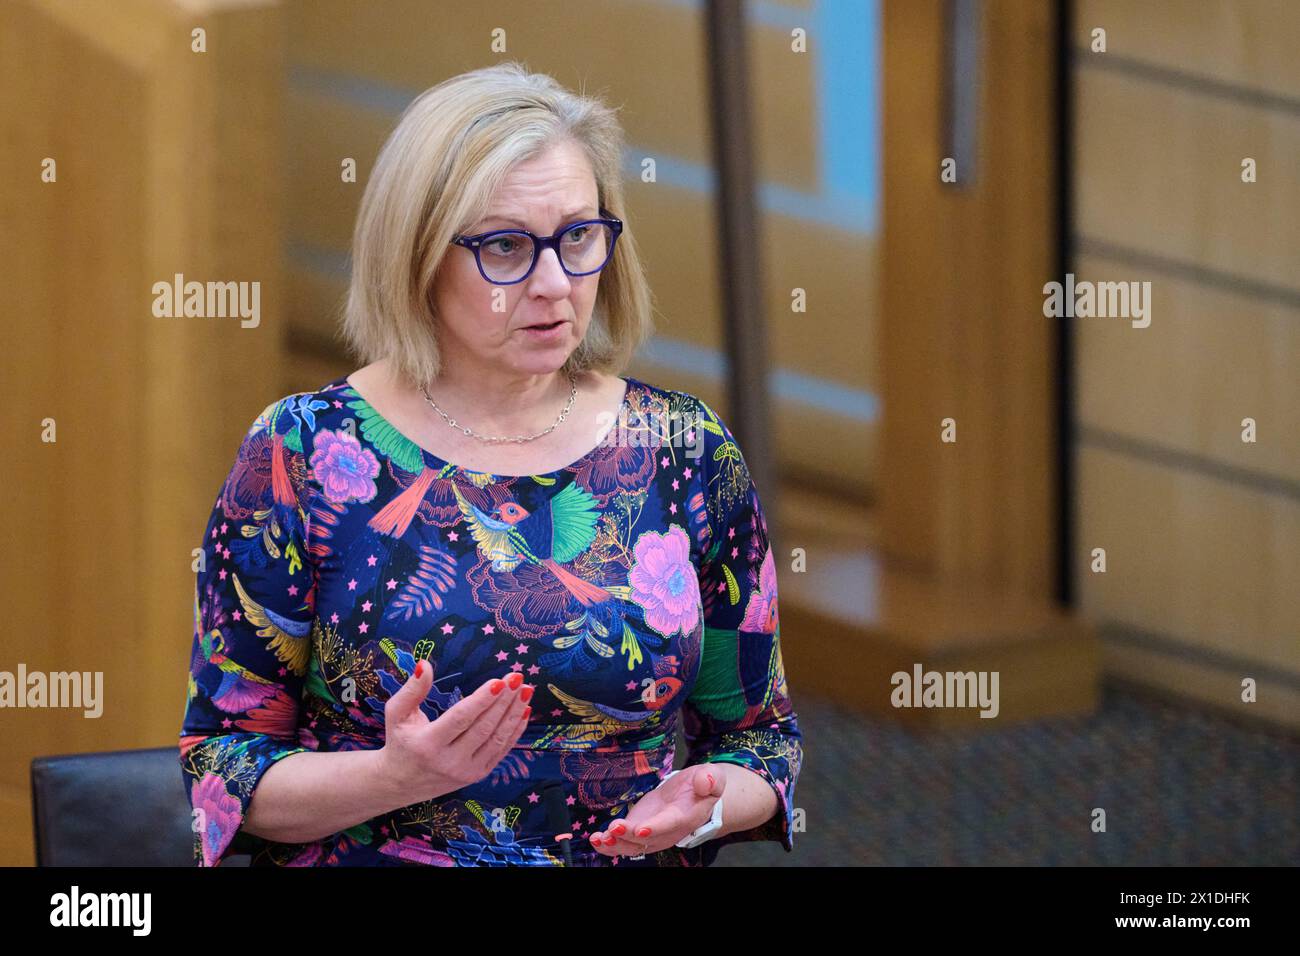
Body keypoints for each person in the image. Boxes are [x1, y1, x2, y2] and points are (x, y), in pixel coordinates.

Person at [178, 61, 802, 867]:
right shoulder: (302, 452)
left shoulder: (685, 449)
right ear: (419, 257)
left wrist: (710, 805)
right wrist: (391, 777)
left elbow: (763, 744)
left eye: (578, 236)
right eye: (505, 247)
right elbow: (221, 768)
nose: (553, 284)